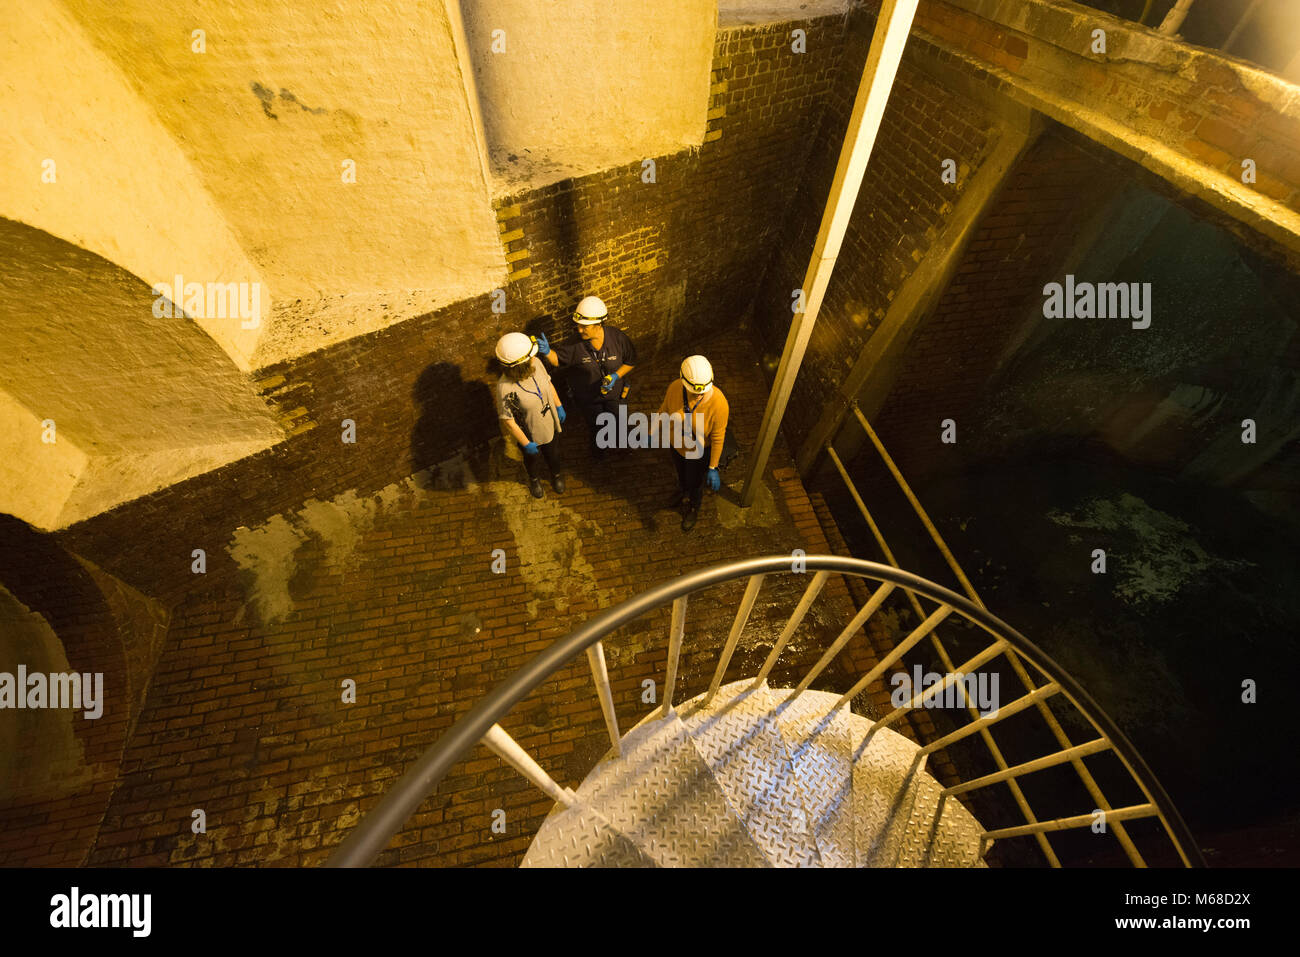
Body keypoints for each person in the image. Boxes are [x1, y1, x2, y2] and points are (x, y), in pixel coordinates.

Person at [534, 295, 637, 460]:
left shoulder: (617, 338)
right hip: (589, 397)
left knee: (619, 422)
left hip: (615, 394)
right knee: (597, 426)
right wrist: (547, 352)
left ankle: (623, 447)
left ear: (598, 325)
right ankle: (599, 451)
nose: (580, 330)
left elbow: (631, 361)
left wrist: (616, 376)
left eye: (584, 327)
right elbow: (558, 360)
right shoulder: (574, 344)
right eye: (579, 326)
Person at [657, 355, 729, 532]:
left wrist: (713, 467)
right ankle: (682, 490)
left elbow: (718, 437)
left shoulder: (719, 404)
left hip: (699, 451)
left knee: (695, 482)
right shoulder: (675, 388)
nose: (698, 395)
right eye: (694, 391)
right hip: (677, 444)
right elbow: (665, 409)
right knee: (681, 473)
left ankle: (693, 506)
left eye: (702, 392)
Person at [495, 332, 566, 499]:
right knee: (532, 460)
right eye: (529, 357)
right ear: (520, 365)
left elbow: (548, 383)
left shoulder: (537, 363)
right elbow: (508, 420)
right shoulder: (505, 388)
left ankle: (556, 475)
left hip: (549, 422)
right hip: (528, 431)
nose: (533, 358)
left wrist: (559, 405)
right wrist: (526, 443)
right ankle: (534, 479)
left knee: (553, 454)